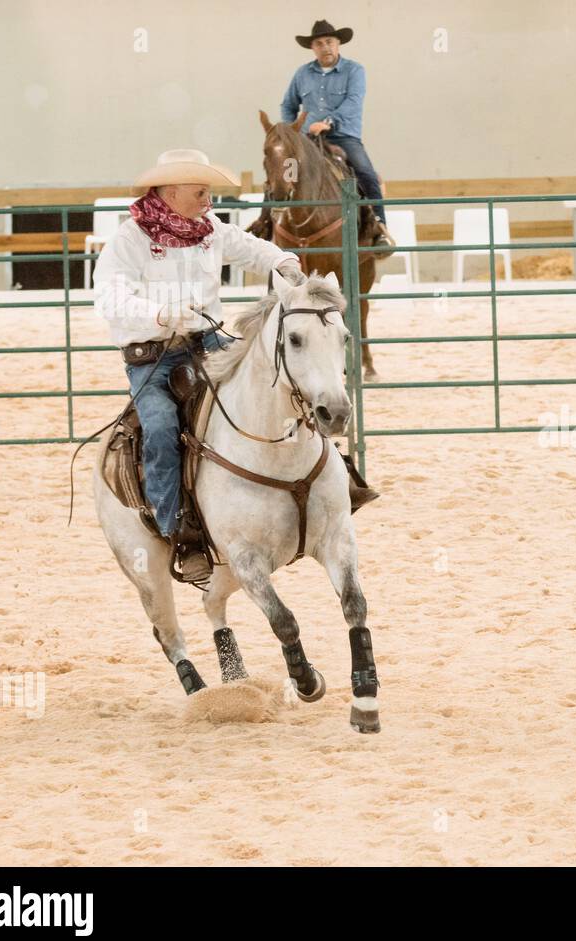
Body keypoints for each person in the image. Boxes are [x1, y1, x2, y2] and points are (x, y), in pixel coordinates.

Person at [94, 149, 306, 579]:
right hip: (152, 356)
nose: (208, 199)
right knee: (160, 426)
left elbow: (250, 248)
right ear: (171, 192)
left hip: (207, 343)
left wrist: (282, 260)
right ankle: (180, 532)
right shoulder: (130, 239)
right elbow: (111, 297)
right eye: (200, 191)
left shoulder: (209, 229)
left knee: (277, 383)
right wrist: (159, 315)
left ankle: (324, 481)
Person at [281, 19, 391, 242]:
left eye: (329, 41)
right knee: (284, 171)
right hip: (307, 139)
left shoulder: (354, 70)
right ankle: (267, 223)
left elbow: (353, 101)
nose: (325, 47)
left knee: (366, 173)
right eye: (319, 43)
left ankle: (379, 227)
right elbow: (288, 105)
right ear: (313, 47)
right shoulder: (302, 74)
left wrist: (329, 122)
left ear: (338, 43)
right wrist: (292, 133)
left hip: (344, 136)